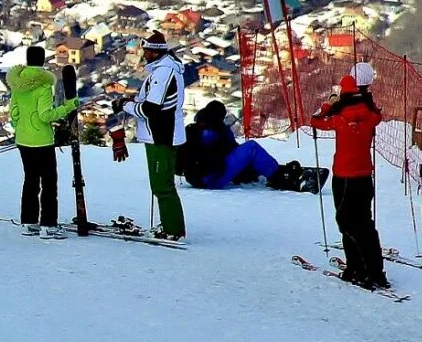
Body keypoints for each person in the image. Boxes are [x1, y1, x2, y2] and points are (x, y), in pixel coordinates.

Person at [310, 75, 387, 289]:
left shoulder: (339, 118)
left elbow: (315, 121)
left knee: (346, 222)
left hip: (344, 177)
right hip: (364, 177)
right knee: (365, 222)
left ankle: (359, 268)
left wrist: (328, 104)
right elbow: (377, 115)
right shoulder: (370, 115)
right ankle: (374, 270)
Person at [109, 31, 186, 241]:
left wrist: (125, 105)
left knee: (162, 185)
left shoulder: (163, 73)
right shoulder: (163, 69)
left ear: (155, 52)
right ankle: (170, 225)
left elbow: (151, 108)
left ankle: (173, 230)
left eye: (147, 51)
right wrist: (130, 102)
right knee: (161, 184)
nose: (144, 54)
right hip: (161, 133)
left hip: (162, 134)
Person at [7, 46, 79, 239]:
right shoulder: (43, 85)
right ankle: (48, 225)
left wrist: (22, 127)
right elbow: (45, 115)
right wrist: (68, 107)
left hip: (23, 140)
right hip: (42, 142)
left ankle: (28, 222)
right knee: (49, 183)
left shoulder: (18, 84)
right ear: (42, 61)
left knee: (30, 181)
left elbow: (13, 113)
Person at [178, 101, 316, 192]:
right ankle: (280, 177)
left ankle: (272, 170)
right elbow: (231, 150)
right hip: (212, 177)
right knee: (251, 148)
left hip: (197, 179)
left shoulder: (191, 129)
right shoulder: (218, 130)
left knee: (247, 152)